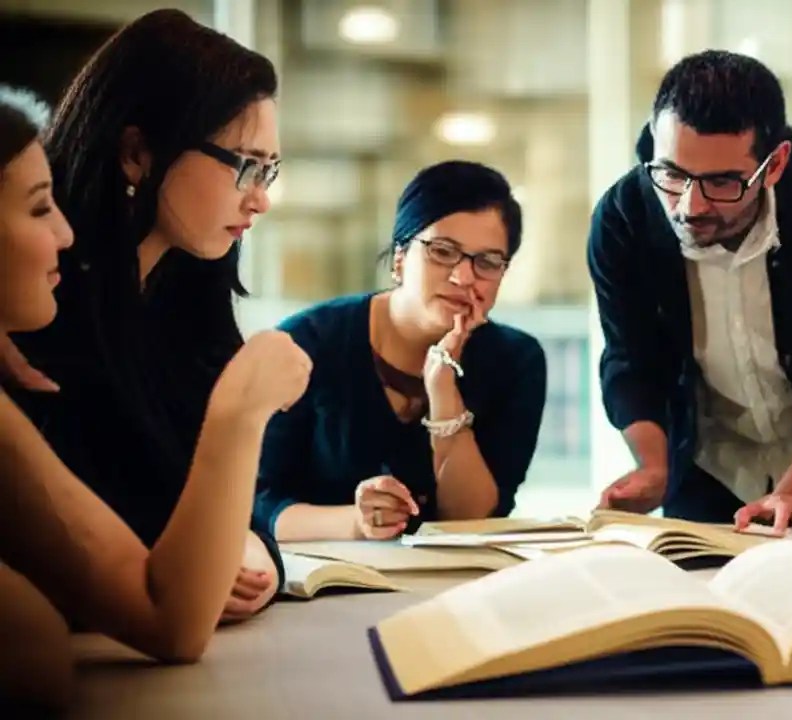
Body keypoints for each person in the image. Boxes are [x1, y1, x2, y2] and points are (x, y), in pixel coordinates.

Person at [0, 86, 308, 713]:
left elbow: (219, 531)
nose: (64, 234)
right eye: (38, 210)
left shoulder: (193, 313)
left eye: (269, 170)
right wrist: (240, 412)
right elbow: (150, 603)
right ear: (138, 153)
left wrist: (247, 549)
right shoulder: (55, 345)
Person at [588, 50, 792, 534]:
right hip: (706, 463)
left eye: (722, 181)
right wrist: (653, 468)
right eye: (673, 174)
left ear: (775, 164)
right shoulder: (624, 216)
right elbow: (630, 360)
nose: (689, 205)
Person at [254, 161, 545, 540]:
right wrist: (355, 523)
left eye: (487, 262)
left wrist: (443, 386)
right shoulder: (308, 342)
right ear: (400, 258)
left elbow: (474, 520)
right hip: (318, 583)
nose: (463, 277)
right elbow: (259, 503)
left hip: (452, 586)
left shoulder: (516, 360)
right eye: (442, 251)